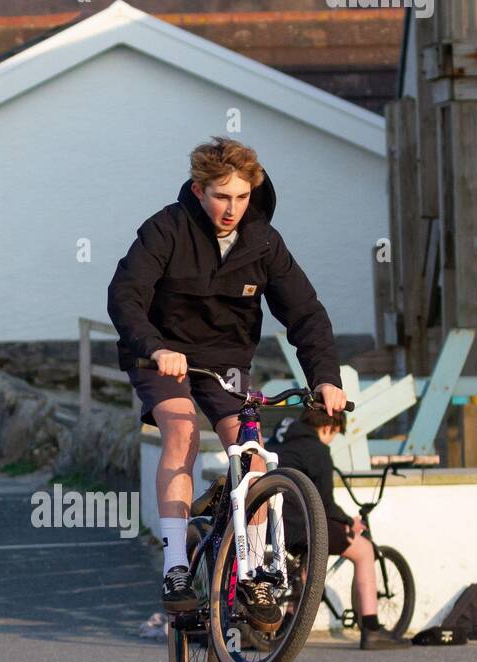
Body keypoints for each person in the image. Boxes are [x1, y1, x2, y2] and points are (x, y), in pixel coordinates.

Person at [107, 137, 347, 632]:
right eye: (221, 196)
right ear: (199, 191)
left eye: (240, 197)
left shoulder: (264, 242)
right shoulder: (166, 229)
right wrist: (154, 347)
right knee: (180, 430)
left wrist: (325, 379)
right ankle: (176, 567)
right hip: (162, 356)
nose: (231, 208)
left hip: (226, 365)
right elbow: (125, 296)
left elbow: (305, 314)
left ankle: (256, 572)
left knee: (254, 458)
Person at [272, 410, 411, 650]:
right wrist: (350, 522)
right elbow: (325, 504)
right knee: (364, 550)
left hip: (271, 524)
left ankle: (286, 627)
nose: (332, 440)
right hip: (300, 525)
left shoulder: (280, 439)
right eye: (335, 434)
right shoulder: (317, 450)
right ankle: (371, 628)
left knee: (309, 562)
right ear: (329, 426)